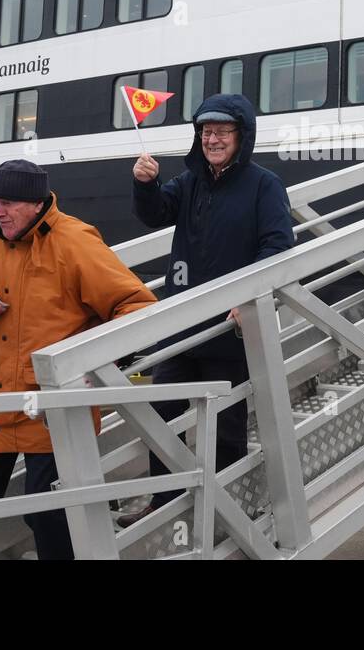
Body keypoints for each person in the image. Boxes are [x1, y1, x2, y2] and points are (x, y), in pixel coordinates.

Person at [0, 160, 158, 560]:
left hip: (53, 409)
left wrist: (92, 365)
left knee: (51, 520)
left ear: (37, 203)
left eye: (7, 203)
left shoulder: (75, 241)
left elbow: (137, 306)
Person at [121, 93, 295, 528]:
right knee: (164, 417)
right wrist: (145, 184)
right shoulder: (188, 181)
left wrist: (248, 295)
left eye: (221, 131)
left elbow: (277, 246)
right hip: (180, 325)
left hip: (230, 328)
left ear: (242, 135)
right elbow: (156, 215)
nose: (212, 139)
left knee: (227, 425)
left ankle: (226, 510)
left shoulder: (264, 184)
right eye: (205, 132)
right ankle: (164, 506)